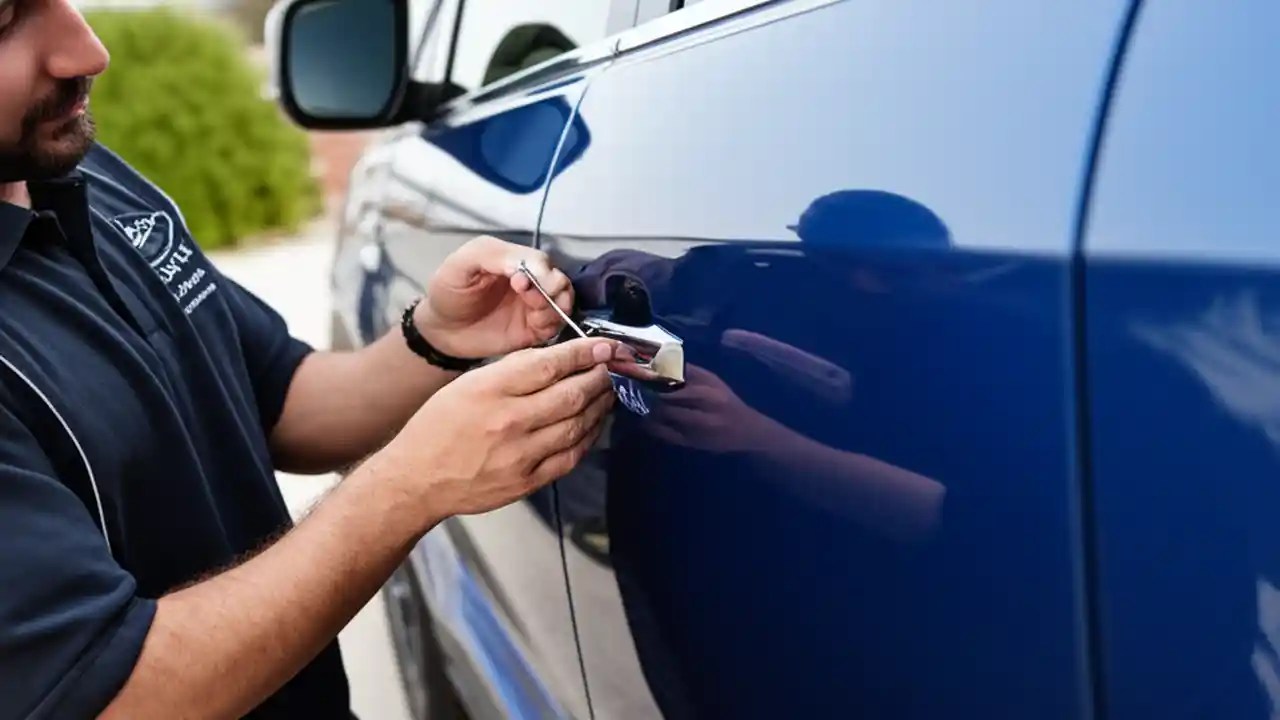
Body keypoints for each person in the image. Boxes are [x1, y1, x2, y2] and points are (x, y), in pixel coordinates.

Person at [0, 2, 621, 718]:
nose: (87, 52)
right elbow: (119, 698)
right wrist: (412, 486)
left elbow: (282, 401)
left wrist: (439, 337)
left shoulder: (79, 173)